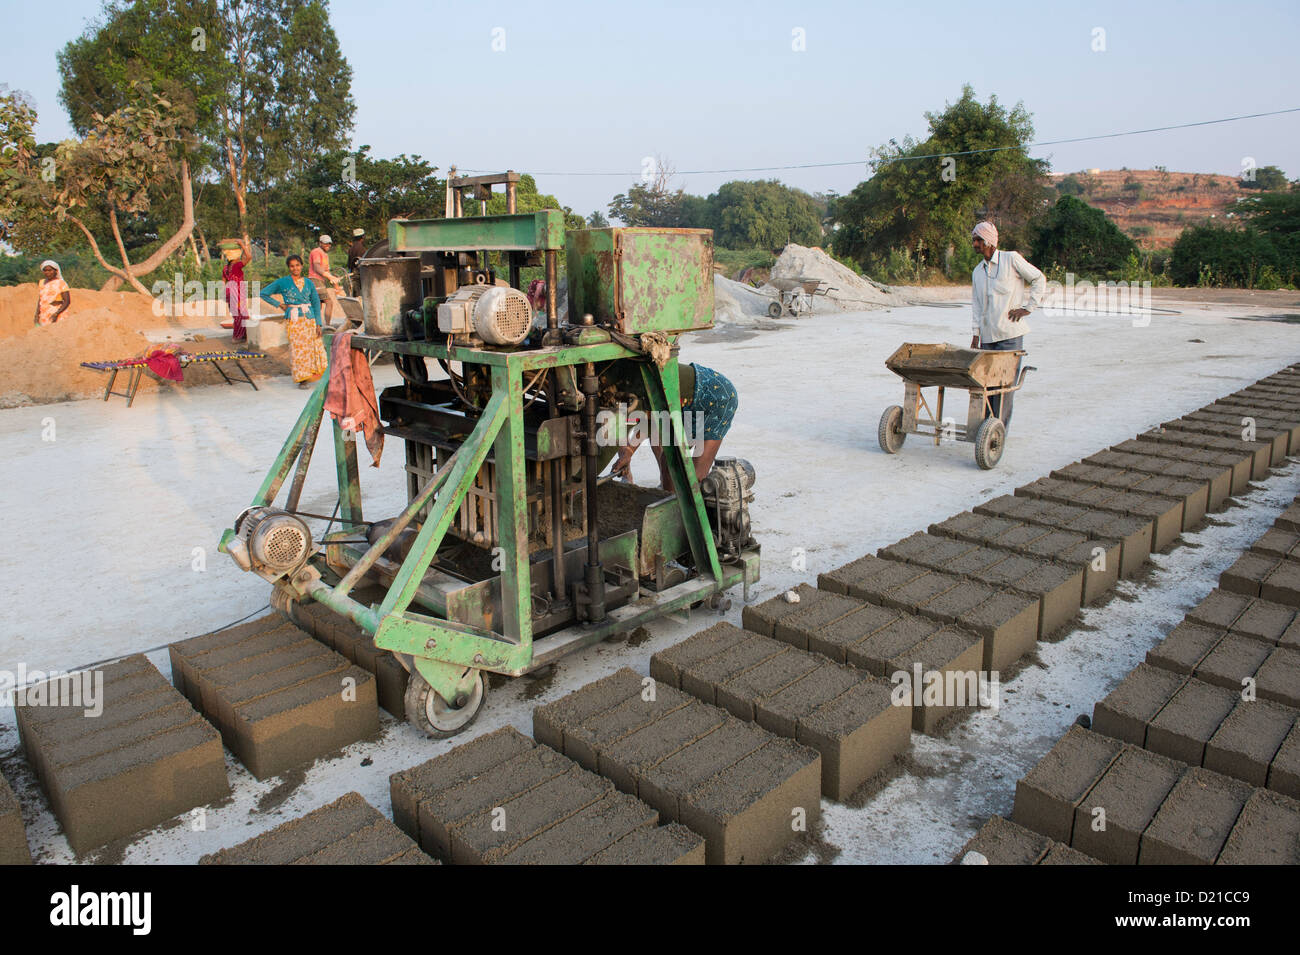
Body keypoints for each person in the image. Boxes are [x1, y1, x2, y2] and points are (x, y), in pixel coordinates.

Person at [609, 361, 739, 490]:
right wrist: (628, 453)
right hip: (689, 405)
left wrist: (628, 453)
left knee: (697, 476)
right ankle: (670, 500)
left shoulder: (638, 384)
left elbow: (649, 423)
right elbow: (648, 423)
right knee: (670, 462)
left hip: (718, 398)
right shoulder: (633, 390)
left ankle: (684, 504)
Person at [969, 221, 1045, 428]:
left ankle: (997, 434)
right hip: (987, 339)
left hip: (1009, 338)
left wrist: (1028, 308)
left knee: (1003, 390)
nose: (975, 244)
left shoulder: (1011, 259)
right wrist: (976, 334)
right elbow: (977, 305)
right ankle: (985, 429)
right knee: (985, 387)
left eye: (978, 240)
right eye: (974, 240)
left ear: (989, 242)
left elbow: (1039, 278)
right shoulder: (977, 272)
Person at [260, 254, 327, 387]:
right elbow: (263, 293)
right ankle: (302, 379)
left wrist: (318, 323)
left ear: (302, 266)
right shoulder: (283, 282)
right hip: (294, 320)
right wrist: (279, 304)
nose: (295, 268)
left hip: (309, 319)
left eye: (297, 265)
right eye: (292, 266)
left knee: (313, 347)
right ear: (289, 268)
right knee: (298, 350)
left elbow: (315, 302)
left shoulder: (309, 282)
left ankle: (314, 374)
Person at [220, 236, 252, 343]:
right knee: (241, 314)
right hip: (237, 292)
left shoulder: (226, 268)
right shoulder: (237, 266)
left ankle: (240, 335)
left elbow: (223, 281)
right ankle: (238, 337)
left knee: (236, 315)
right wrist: (243, 245)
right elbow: (249, 257)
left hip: (229, 292)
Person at [309, 234, 343, 323]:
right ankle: (327, 326)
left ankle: (315, 324)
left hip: (320, 281)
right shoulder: (316, 252)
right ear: (320, 243)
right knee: (329, 302)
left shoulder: (325, 255)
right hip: (315, 280)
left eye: (329, 244)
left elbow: (327, 272)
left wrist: (335, 284)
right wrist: (329, 276)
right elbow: (316, 267)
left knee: (318, 305)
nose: (328, 245)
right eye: (325, 243)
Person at [34, 260, 71, 326]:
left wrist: (56, 314)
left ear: (56, 271)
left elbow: (67, 301)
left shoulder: (61, 283)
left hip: (58, 314)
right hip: (44, 314)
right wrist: (37, 315)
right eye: (45, 270)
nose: (47, 272)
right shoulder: (41, 282)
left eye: (50, 270)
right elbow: (41, 300)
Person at [346, 228, 367, 296]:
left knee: (354, 296)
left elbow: (349, 264)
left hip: (352, 274)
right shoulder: (361, 248)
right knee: (359, 296)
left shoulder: (351, 248)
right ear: (363, 237)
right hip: (359, 275)